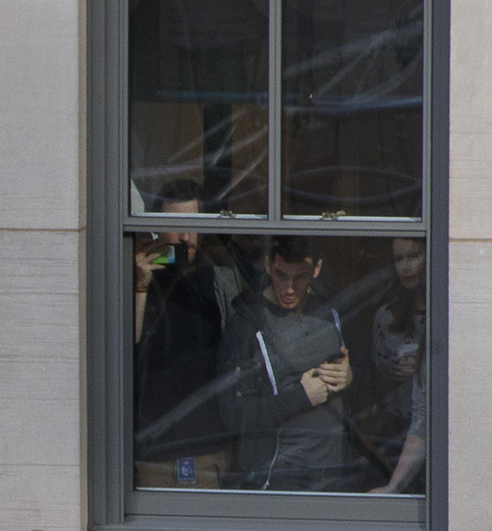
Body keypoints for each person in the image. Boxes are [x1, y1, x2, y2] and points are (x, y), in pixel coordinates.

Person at [224, 237, 363, 492]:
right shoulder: (246, 326)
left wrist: (350, 378)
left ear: (317, 270)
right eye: (281, 275)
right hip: (278, 476)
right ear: (267, 266)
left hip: (334, 473)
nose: (289, 288)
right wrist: (299, 397)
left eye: (300, 277)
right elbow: (232, 414)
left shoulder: (333, 313)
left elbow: (374, 384)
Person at [131, 186, 246, 489]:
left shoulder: (221, 276)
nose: (185, 237)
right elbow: (125, 349)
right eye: (176, 228)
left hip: (213, 445)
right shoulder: (143, 278)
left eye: (193, 226)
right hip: (156, 449)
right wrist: (140, 285)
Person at [367, 236, 428, 495]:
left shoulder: (445, 312)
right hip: (395, 430)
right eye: (398, 259)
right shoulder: (385, 316)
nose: (405, 266)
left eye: (413, 256)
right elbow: (373, 386)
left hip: (432, 434)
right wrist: (395, 373)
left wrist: (424, 367)